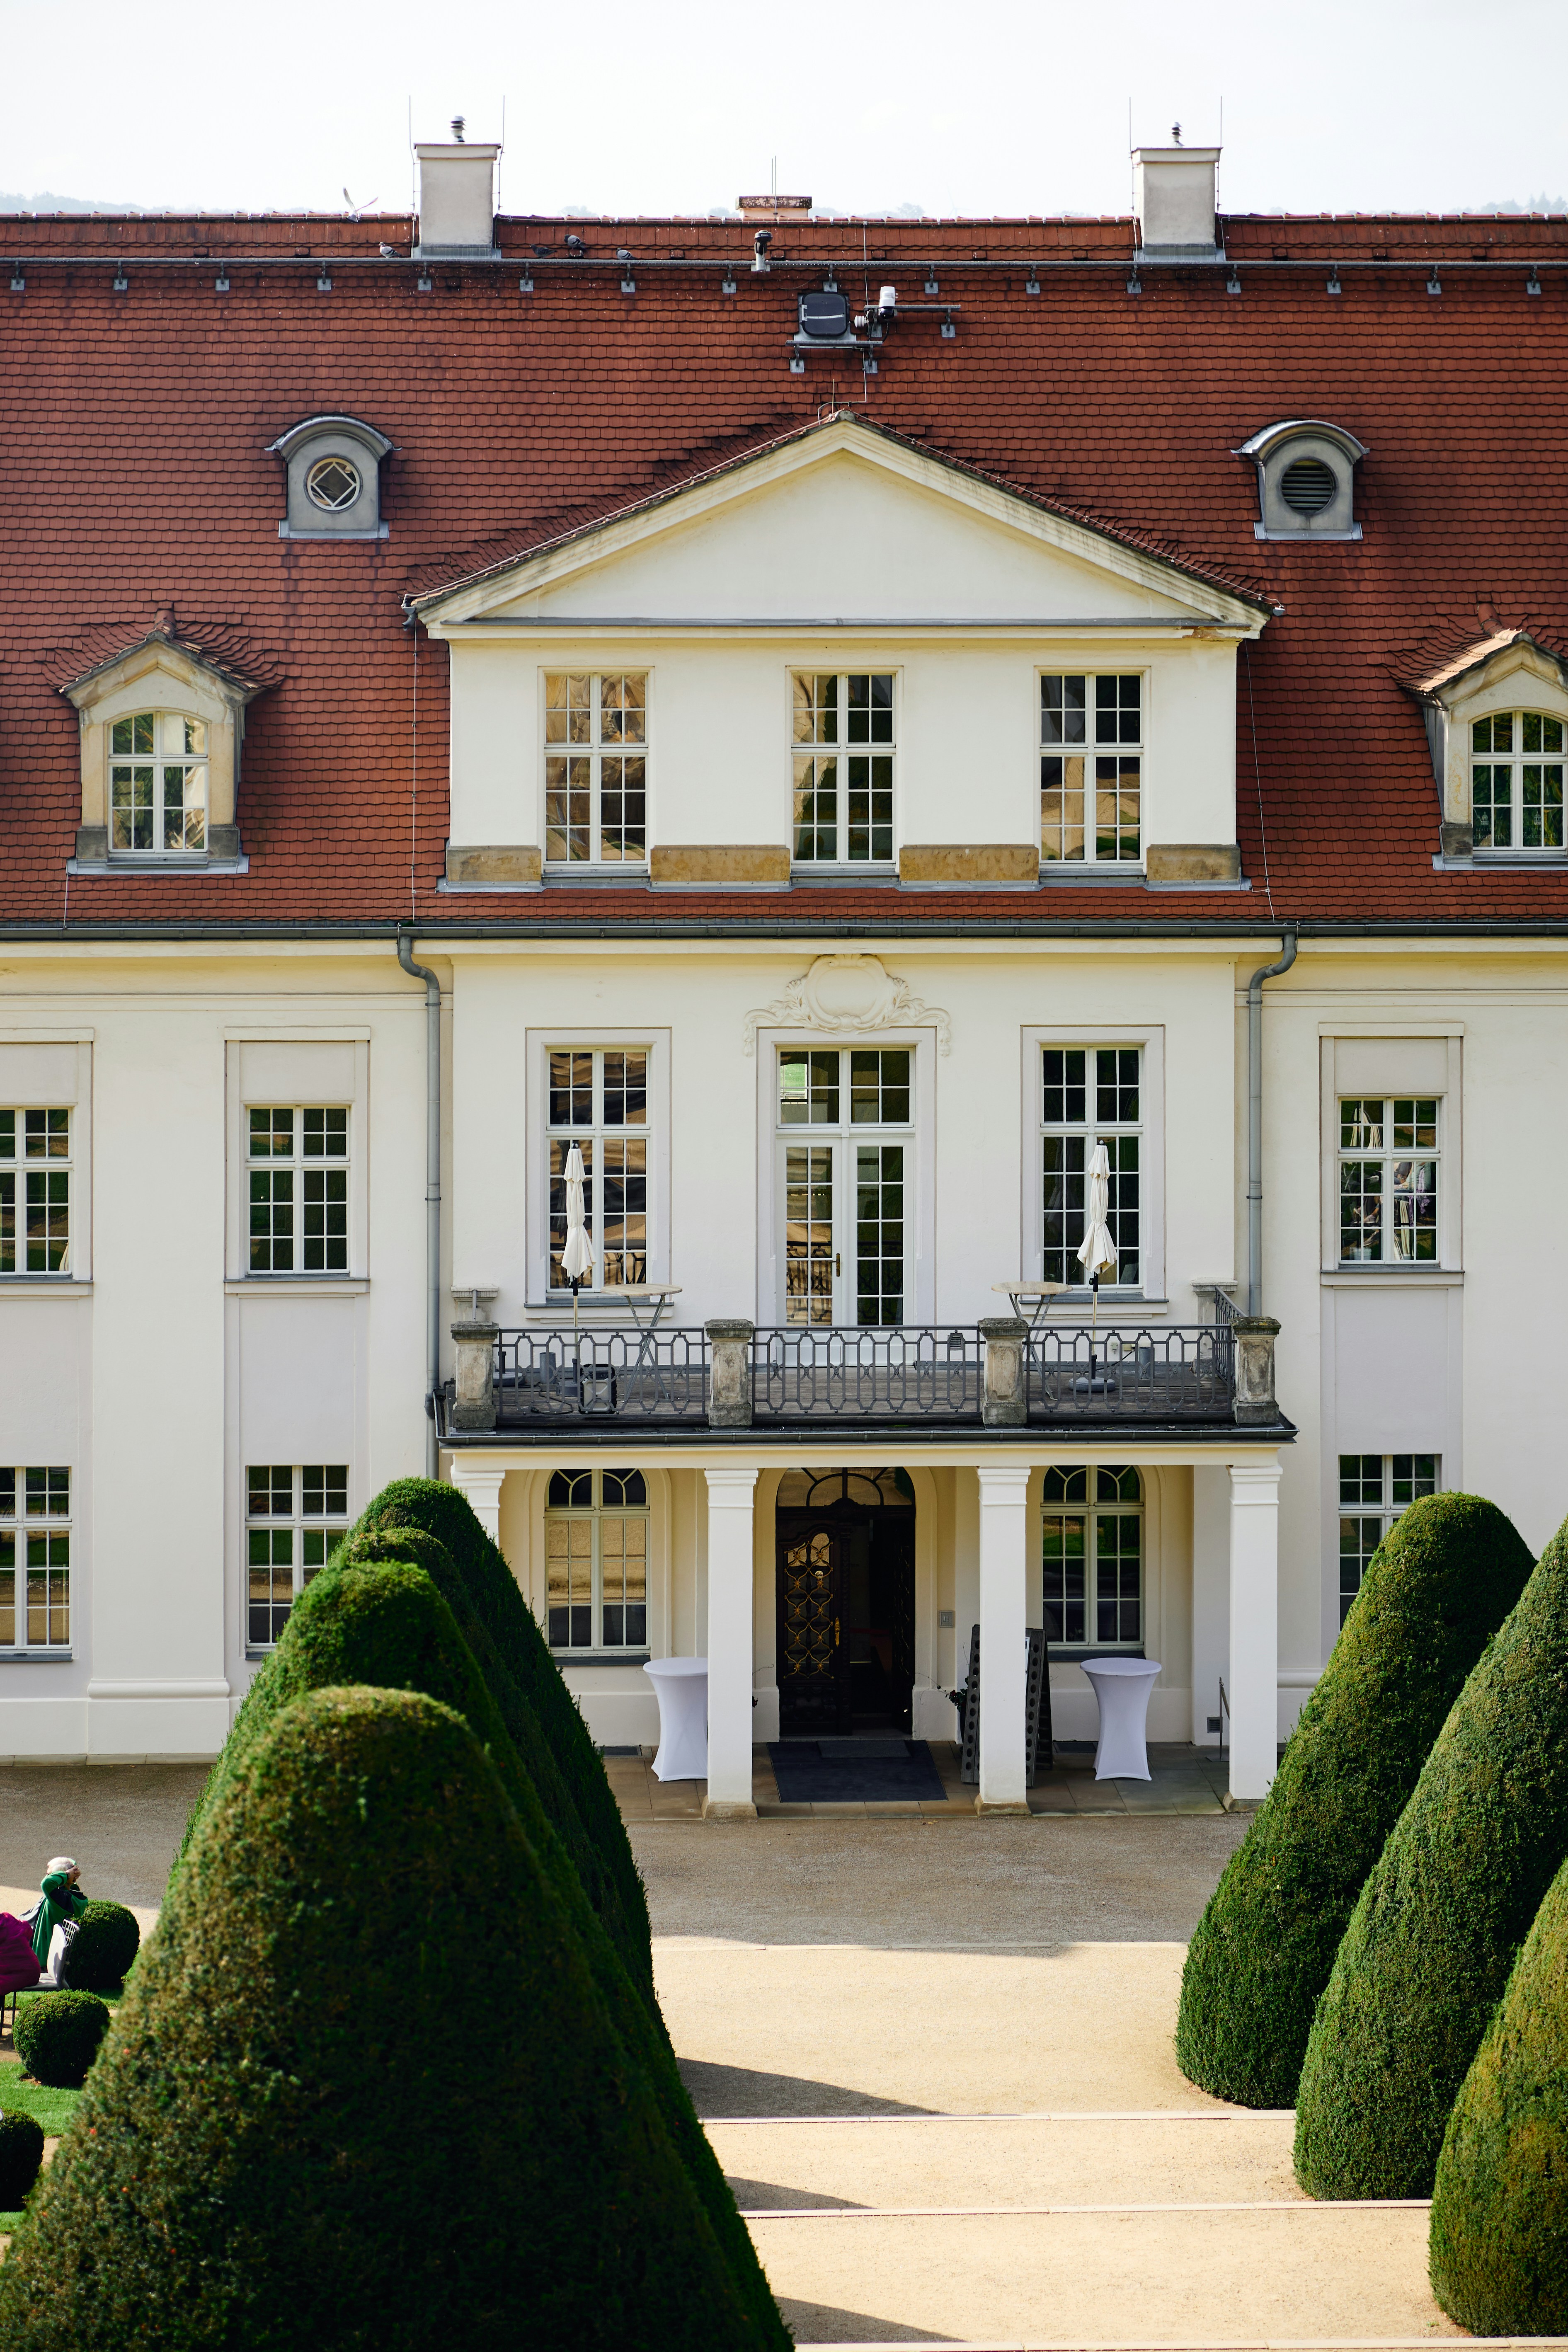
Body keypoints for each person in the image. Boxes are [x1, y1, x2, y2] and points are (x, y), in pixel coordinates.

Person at [27, 1856, 87, 1972]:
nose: (46, 1877)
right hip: (43, 1957)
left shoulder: (59, 1899)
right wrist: (72, 1873)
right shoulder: (62, 1896)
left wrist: (69, 1875)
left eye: (49, 1874)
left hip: (42, 1961)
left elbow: (46, 1883)